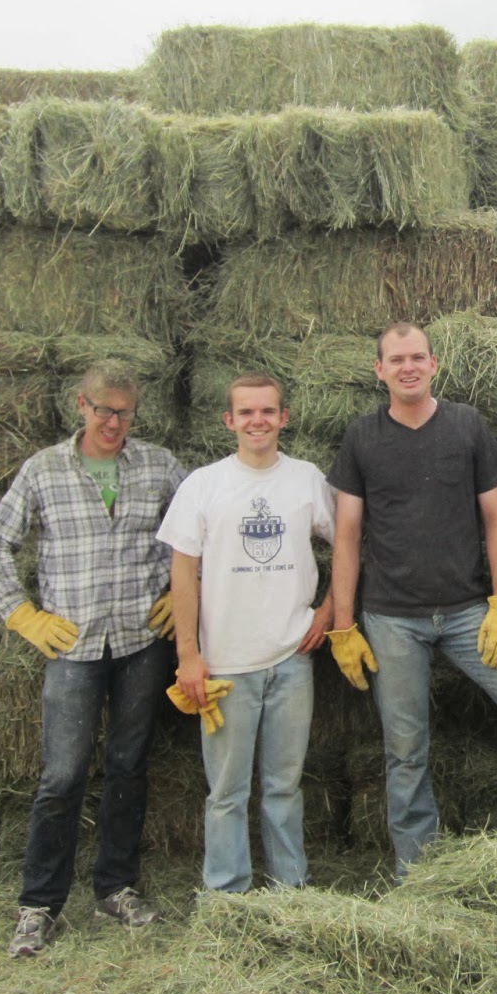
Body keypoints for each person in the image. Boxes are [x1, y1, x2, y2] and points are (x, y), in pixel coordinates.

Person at [325, 323, 497, 876]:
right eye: (396, 359)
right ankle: (417, 870)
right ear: (379, 370)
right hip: (391, 618)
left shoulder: (465, 424)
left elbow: (496, 517)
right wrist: (344, 626)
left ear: (434, 364)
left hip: (470, 612)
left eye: (417, 357)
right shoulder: (362, 437)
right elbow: (347, 536)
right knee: (405, 749)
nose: (408, 367)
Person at [0, 361, 185, 958]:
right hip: (74, 646)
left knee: (128, 765)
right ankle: (38, 904)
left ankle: (115, 887)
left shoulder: (160, 465)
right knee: (62, 776)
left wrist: (180, 593)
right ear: (81, 405)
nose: (114, 422)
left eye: (124, 411)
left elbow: (199, 532)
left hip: (142, 642)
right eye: (104, 409)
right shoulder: (44, 470)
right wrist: (22, 614)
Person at [156, 374, 335, 892]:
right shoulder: (204, 485)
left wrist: (329, 611)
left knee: (284, 785)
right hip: (227, 664)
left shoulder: (305, 479)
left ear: (285, 417)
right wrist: (188, 655)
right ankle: (227, 893)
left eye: (268, 411)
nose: (258, 421)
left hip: (291, 657)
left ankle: (290, 888)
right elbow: (183, 573)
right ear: (228, 421)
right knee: (227, 791)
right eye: (247, 412)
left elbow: (348, 541)